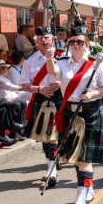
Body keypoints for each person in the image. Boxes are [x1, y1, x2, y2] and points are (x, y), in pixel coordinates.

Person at [45, 24, 103, 204]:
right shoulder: (63, 63)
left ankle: (80, 197)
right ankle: (88, 187)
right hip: (70, 114)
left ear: (86, 44)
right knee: (76, 157)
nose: (76, 45)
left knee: (84, 157)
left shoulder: (94, 64)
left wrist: (91, 95)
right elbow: (52, 72)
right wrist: (50, 56)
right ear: (68, 43)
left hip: (90, 113)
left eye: (80, 42)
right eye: (72, 41)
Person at [19, 26, 62, 185]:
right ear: (36, 41)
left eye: (47, 37)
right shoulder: (30, 60)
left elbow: (74, 77)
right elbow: (24, 85)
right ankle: (52, 168)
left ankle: (54, 166)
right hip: (40, 99)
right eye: (40, 38)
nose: (44, 41)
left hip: (59, 99)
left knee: (55, 136)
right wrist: (39, 89)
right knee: (46, 136)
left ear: (52, 39)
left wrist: (61, 82)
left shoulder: (63, 56)